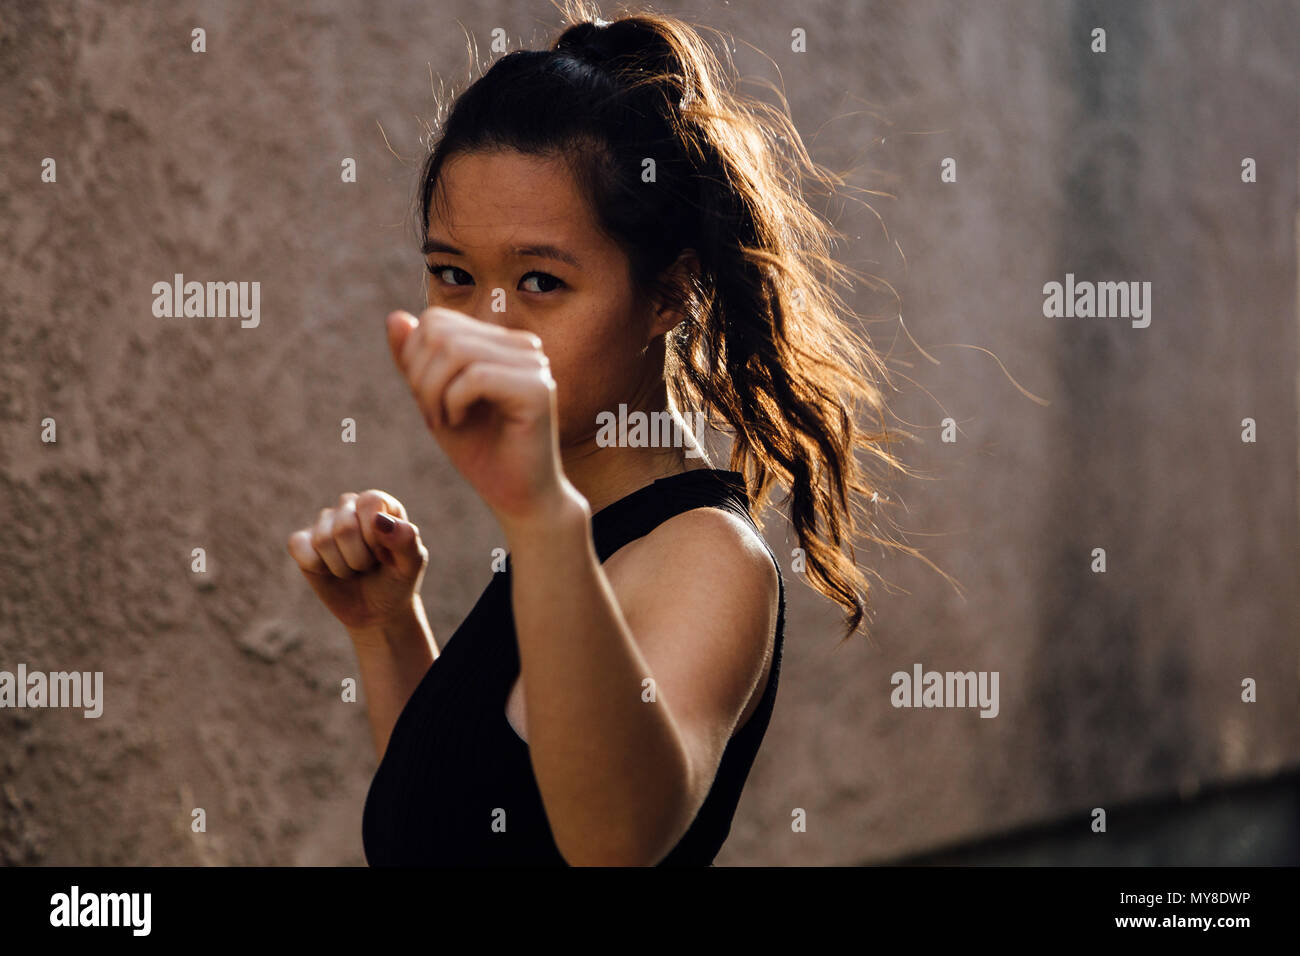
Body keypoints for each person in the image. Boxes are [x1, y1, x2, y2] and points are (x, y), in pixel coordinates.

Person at [287, 2, 921, 866]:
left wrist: (537, 515)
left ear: (667, 296)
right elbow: (449, 827)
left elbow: (613, 842)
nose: (488, 322)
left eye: (541, 280)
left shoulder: (707, 556)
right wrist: (386, 628)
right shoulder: (561, 544)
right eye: (453, 275)